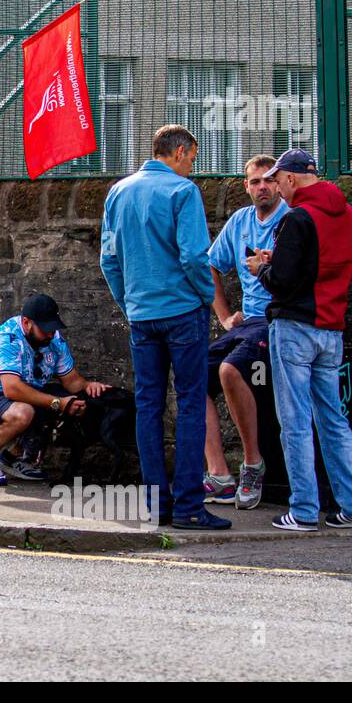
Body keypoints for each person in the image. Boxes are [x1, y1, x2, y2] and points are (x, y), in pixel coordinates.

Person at [100, 125, 228, 530]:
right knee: (191, 402)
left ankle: (157, 505)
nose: (192, 166)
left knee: (149, 405)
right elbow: (193, 256)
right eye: (191, 157)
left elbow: (109, 260)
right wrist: (207, 295)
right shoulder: (182, 192)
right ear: (179, 151)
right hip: (183, 310)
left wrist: (128, 302)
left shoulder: (118, 192)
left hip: (142, 314)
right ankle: (190, 505)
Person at [248, 148, 352, 532]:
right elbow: (322, 263)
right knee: (333, 419)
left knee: (295, 421)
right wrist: (281, 262)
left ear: (290, 179)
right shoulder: (348, 213)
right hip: (331, 325)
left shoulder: (297, 218)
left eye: (277, 180)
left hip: (295, 326)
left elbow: (284, 280)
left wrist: (261, 267)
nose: (275, 187)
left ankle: (303, 509)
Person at [202, 154, 288, 509]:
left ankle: (253, 463)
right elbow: (209, 265)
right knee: (193, 374)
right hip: (247, 321)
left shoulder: (291, 220)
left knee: (230, 370)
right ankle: (219, 475)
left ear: (281, 183)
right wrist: (224, 316)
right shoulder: (239, 222)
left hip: (277, 320)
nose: (262, 187)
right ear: (246, 186)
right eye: (255, 181)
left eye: (268, 180)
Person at [0, 294, 113, 486]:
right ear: (26, 322)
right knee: (25, 411)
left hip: (15, 397)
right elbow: (12, 389)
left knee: (74, 401)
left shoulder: (54, 340)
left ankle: (15, 457)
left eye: (53, 328)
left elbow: (71, 381)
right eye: (45, 329)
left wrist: (89, 386)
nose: (50, 334)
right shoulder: (8, 338)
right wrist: (57, 403)